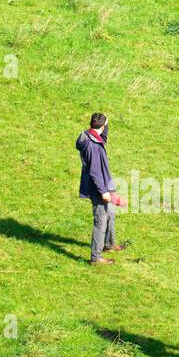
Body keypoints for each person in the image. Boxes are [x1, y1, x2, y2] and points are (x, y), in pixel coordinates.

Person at [75, 112, 127, 265]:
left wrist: (107, 124)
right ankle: (95, 258)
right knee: (101, 222)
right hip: (99, 188)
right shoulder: (92, 146)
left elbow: (103, 138)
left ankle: (109, 244)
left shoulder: (92, 137)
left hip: (104, 185)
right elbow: (95, 172)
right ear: (101, 126)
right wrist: (103, 191)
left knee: (110, 214)